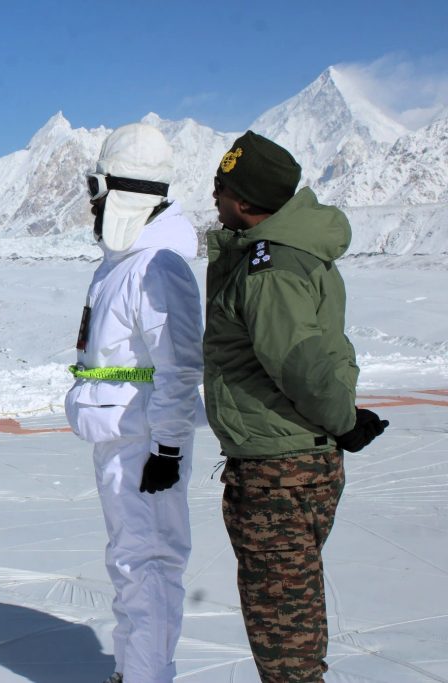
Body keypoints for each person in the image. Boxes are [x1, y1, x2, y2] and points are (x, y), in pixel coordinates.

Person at [205, 130, 389, 683]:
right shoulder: (276, 255)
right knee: (291, 614)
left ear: (243, 202)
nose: (213, 199)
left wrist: (344, 421)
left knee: (282, 627)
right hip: (287, 461)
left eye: (219, 189)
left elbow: (300, 363)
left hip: (278, 470)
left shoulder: (269, 270)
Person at [64, 124, 203, 683]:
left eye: (95, 191)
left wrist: (167, 449)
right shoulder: (123, 262)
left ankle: (147, 675)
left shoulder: (158, 266)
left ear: (117, 190)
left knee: (148, 563)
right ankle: (133, 670)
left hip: (145, 443)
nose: (91, 204)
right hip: (122, 436)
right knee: (130, 561)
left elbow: (178, 367)